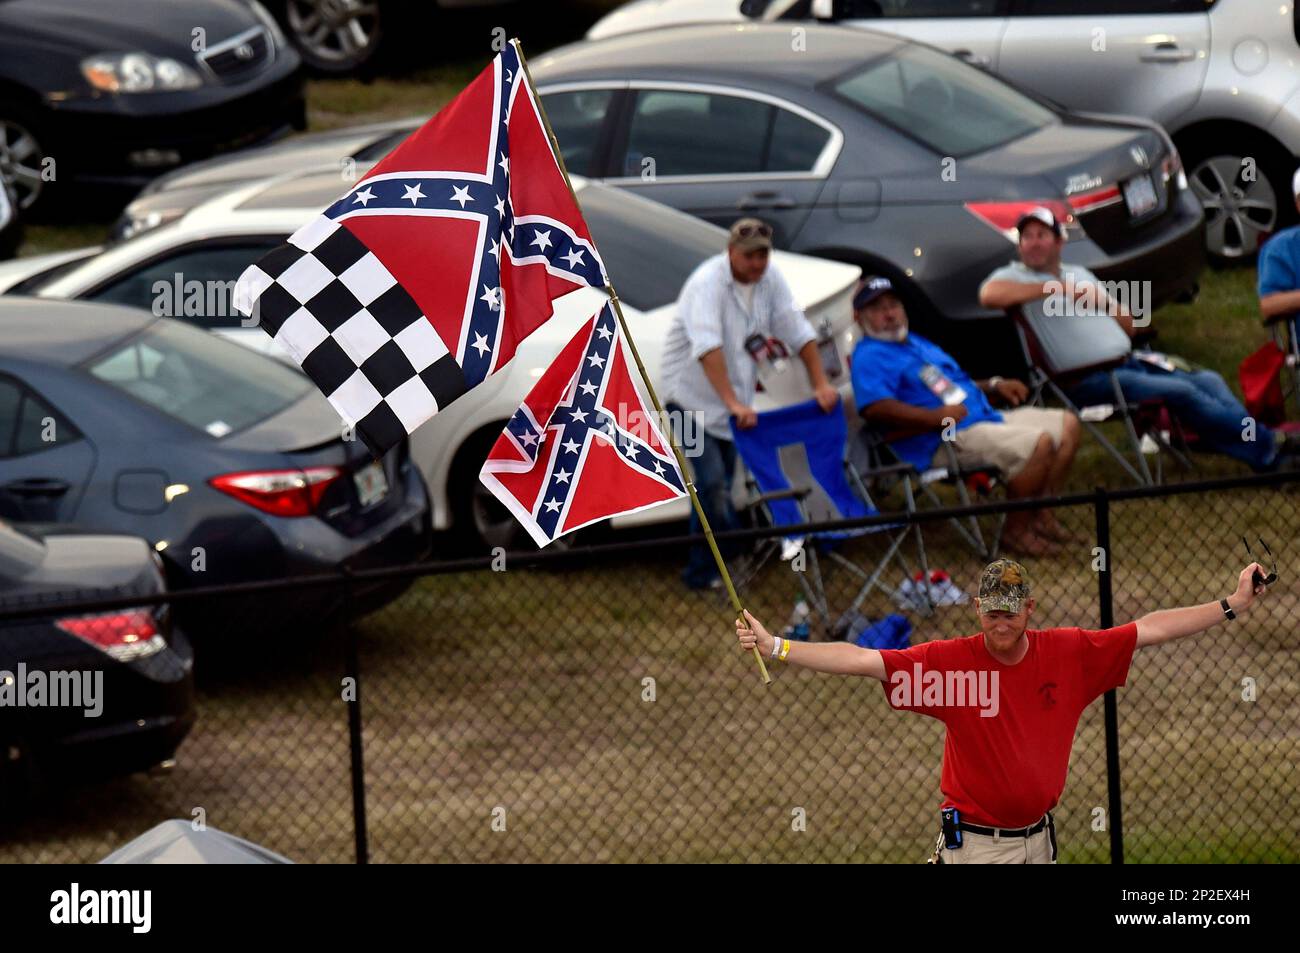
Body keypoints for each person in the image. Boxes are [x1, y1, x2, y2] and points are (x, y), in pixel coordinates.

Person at [735, 556, 1273, 864]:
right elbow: (862, 659)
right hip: (977, 849)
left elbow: (1149, 628)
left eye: (1010, 611)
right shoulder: (949, 665)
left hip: (1039, 840)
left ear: (1028, 610)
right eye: (991, 610)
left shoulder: (1068, 652)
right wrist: (776, 646)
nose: (1000, 621)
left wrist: (1232, 604)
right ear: (977, 609)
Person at [979, 207, 1298, 472]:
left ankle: (1262, 448)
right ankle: (1269, 448)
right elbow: (989, 296)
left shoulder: (1080, 274)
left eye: (1041, 235)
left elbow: (1130, 327)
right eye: (1027, 237)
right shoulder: (1012, 277)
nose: (1033, 243)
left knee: (1209, 380)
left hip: (1131, 361)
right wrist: (1054, 289)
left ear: (1059, 242)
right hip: (1086, 380)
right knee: (1181, 392)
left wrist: (1104, 304)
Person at [662, 217, 839, 590]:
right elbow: (707, 348)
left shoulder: (771, 280)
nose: (757, 263)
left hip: (733, 404)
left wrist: (820, 383)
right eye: (749, 257)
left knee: (720, 486)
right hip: (687, 398)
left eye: (762, 255)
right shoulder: (706, 285)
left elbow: (798, 330)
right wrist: (732, 402)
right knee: (711, 484)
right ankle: (733, 553)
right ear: (731, 253)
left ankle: (706, 569)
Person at [850, 275, 1082, 557]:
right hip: (944, 437)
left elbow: (951, 385)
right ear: (859, 317)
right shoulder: (869, 356)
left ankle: (1042, 516)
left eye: (893, 305)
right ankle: (1017, 533)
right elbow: (875, 408)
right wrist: (935, 417)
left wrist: (994, 384)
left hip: (982, 417)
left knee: (1067, 424)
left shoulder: (914, 343)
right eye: (877, 309)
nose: (889, 314)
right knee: (1039, 443)